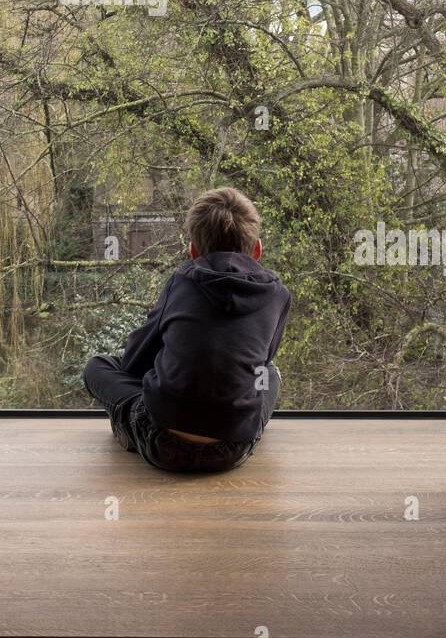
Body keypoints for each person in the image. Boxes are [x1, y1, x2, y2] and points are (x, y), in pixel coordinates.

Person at [83, 186, 291, 473]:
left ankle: (131, 430)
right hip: (233, 448)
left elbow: (134, 361)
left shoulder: (181, 283)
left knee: (97, 366)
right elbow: (261, 363)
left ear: (193, 250)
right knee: (269, 374)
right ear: (257, 249)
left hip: (163, 443)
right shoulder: (278, 295)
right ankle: (239, 423)